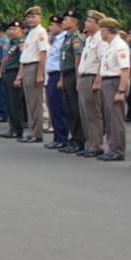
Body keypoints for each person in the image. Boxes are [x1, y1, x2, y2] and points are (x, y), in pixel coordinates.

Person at [94, 19, 130, 161]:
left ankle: (117, 150)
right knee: (109, 117)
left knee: (116, 118)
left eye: (101, 30)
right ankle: (112, 147)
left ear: (107, 31)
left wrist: (121, 90)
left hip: (115, 81)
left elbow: (125, 69)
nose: (100, 34)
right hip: (107, 81)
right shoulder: (109, 45)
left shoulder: (119, 46)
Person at [76, 12, 106, 158]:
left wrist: (98, 80)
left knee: (93, 114)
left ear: (98, 23)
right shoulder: (89, 39)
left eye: (90, 21)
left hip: (92, 77)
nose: (86, 23)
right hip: (84, 76)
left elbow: (102, 61)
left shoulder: (100, 39)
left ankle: (96, 145)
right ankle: (89, 143)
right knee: (85, 114)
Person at [17, 6, 49, 142]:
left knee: (36, 103)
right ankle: (32, 131)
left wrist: (40, 73)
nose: (31, 19)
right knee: (30, 102)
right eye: (28, 17)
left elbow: (43, 53)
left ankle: (37, 133)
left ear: (40, 18)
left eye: (34, 17)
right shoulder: (31, 33)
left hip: (35, 66)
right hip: (28, 66)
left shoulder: (41, 32)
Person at [58, 11, 86, 154]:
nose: (63, 21)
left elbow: (77, 60)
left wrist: (77, 79)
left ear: (75, 23)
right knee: (68, 109)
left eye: (67, 19)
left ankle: (79, 140)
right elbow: (63, 61)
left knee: (75, 110)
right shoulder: (66, 38)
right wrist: (62, 79)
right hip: (66, 74)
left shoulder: (76, 38)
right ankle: (73, 138)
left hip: (73, 75)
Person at [45, 14, 68, 146]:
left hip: (59, 74)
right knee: (53, 106)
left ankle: (61, 137)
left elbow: (62, 61)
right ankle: (57, 137)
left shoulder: (64, 39)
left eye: (53, 25)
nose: (50, 28)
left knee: (58, 107)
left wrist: (61, 78)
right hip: (52, 74)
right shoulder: (56, 39)